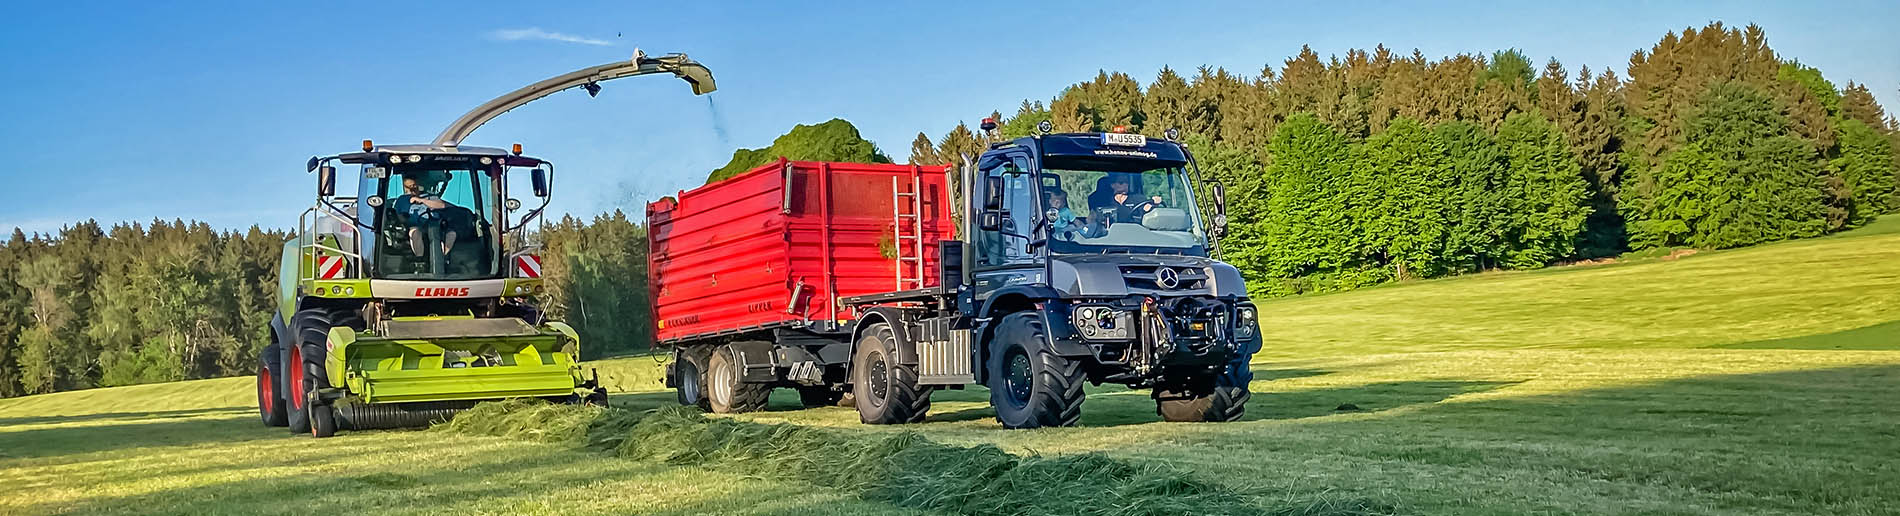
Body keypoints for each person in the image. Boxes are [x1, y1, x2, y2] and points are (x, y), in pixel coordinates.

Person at [392, 175, 464, 257]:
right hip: (417, 226)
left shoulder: (430, 197)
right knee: (414, 232)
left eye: (414, 186)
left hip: (437, 225)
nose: (412, 189)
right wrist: (404, 222)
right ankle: (419, 260)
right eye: (410, 187)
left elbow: (442, 205)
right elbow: (397, 215)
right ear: (405, 188)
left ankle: (440, 258)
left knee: (452, 234)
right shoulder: (401, 200)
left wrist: (421, 200)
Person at [1087, 173, 1163, 223]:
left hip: (1135, 234)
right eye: (1121, 183)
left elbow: (1146, 210)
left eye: (1127, 182)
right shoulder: (1103, 201)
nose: (1125, 185)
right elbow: (1092, 219)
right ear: (1112, 185)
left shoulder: (1138, 199)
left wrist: (1153, 205)